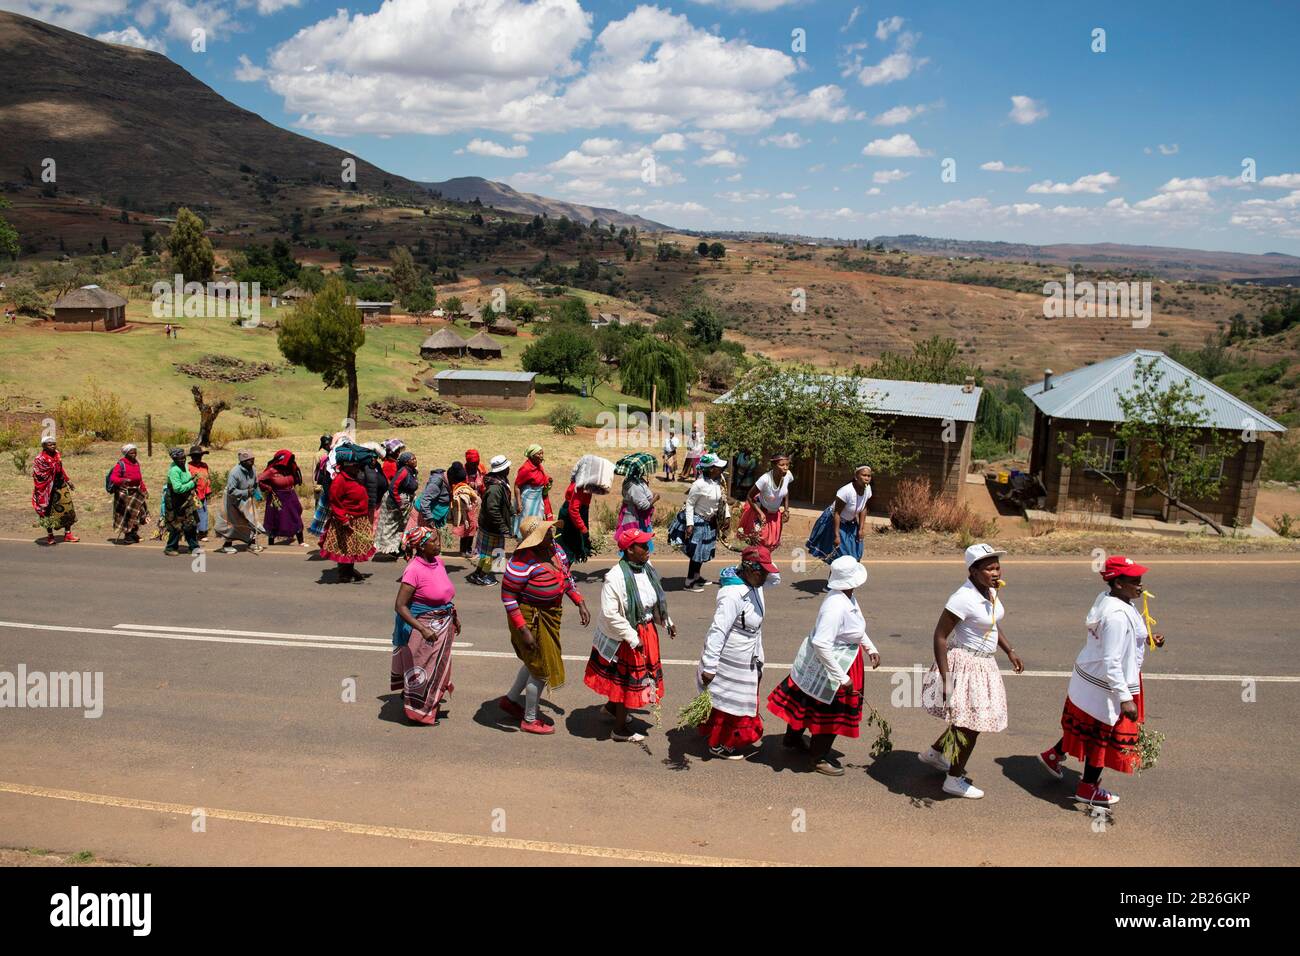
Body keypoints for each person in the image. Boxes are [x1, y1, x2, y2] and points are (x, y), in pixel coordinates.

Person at [1039, 556, 1164, 806]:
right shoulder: (1116, 616)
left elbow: (1121, 641)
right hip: (1107, 684)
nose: (1141, 585)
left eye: (1140, 580)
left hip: (1093, 680)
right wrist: (1125, 698)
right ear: (1117, 582)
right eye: (1134, 581)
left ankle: (1054, 755)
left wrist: (1147, 639)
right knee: (1101, 735)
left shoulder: (1113, 600)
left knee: (1086, 725)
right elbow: (1112, 660)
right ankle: (1087, 789)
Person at [918, 543, 1025, 799]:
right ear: (973, 570)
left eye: (998, 567)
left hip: (984, 664)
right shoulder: (962, 598)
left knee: (966, 721)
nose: (996, 572)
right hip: (965, 665)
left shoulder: (989, 591)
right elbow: (940, 637)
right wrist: (946, 680)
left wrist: (1009, 651)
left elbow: (990, 625)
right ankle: (954, 779)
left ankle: (935, 754)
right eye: (989, 568)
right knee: (970, 725)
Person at [767, 555, 880, 776]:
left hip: (835, 660)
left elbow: (855, 629)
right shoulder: (836, 606)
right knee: (831, 713)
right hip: (834, 664)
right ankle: (817, 758)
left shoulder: (847, 598)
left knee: (807, 702)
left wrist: (870, 648)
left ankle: (792, 739)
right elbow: (821, 642)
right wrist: (842, 677)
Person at [496, 515, 590, 734]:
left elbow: (566, 577)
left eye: (550, 531)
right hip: (530, 618)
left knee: (533, 664)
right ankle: (529, 719)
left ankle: (510, 701)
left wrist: (579, 601)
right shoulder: (521, 561)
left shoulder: (556, 551)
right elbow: (508, 597)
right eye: (546, 533)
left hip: (551, 615)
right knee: (541, 669)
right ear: (534, 539)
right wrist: (523, 630)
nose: (551, 534)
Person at [584, 528, 675, 742]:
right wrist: (634, 638)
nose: (648, 549)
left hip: (646, 631)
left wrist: (667, 622)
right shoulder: (615, 577)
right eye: (643, 546)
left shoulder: (648, 569)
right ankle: (619, 730)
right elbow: (610, 614)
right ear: (629, 550)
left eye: (647, 545)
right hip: (627, 635)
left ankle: (611, 709)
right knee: (628, 681)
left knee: (624, 677)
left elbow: (653, 602)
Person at [697, 545, 779, 760]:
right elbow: (718, 630)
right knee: (730, 704)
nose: (767, 576)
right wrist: (710, 666)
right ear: (750, 569)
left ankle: (721, 737)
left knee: (733, 702)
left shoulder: (756, 583)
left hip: (748, 654)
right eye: (763, 571)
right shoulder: (732, 595)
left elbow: (775, 579)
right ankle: (720, 744)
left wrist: (760, 551)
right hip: (731, 658)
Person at [390, 526, 460, 725]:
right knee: (422, 669)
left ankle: (425, 704)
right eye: (434, 542)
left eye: (438, 540)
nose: (439, 545)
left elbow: (445, 593)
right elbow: (400, 606)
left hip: (441, 624)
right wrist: (422, 629)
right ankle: (418, 713)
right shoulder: (414, 570)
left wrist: (455, 616)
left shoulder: (438, 562)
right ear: (421, 546)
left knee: (435, 669)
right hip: (423, 628)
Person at [669, 452, 731, 591]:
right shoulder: (699, 484)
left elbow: (723, 500)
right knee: (696, 553)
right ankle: (689, 582)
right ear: (710, 469)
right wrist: (690, 525)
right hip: (699, 522)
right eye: (718, 467)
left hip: (710, 522)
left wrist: (726, 516)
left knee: (704, 551)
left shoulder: (718, 481)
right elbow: (690, 504)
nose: (721, 469)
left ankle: (697, 576)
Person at [318, 457, 376, 581]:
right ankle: (344, 574)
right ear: (347, 467)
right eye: (354, 466)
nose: (357, 468)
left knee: (352, 547)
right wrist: (343, 519)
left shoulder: (353, 478)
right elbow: (335, 501)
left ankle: (349, 571)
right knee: (345, 548)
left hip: (358, 518)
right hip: (347, 519)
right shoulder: (339, 480)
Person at [806, 465, 873, 567]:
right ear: (856, 476)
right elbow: (836, 513)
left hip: (851, 523)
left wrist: (861, 528)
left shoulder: (867, 489)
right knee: (842, 558)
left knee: (855, 555)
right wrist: (836, 535)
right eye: (864, 475)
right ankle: (835, 581)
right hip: (835, 521)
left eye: (869, 476)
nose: (867, 478)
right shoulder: (846, 491)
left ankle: (845, 581)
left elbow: (863, 508)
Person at [469, 455, 514, 586]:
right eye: (507, 467)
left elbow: (505, 501)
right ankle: (482, 576)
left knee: (488, 552)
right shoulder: (495, 488)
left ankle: (478, 573)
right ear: (501, 470)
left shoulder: (501, 481)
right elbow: (492, 510)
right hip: (492, 526)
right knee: (489, 554)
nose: (509, 469)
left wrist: (511, 511)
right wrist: (503, 527)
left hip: (492, 526)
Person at [740, 454, 793, 549]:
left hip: (775, 516)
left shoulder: (788, 475)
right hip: (761, 515)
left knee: (771, 545)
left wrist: (786, 509)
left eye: (787, 465)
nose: (785, 468)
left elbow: (785, 491)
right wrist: (759, 513)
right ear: (773, 465)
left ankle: (763, 563)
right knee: (759, 544)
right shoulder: (765, 480)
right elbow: (749, 496)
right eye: (781, 465)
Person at [31, 436, 77, 544]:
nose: (53, 446)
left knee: (67, 509)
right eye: (50, 444)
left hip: (60, 485)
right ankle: (50, 536)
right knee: (48, 512)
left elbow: (60, 469)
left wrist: (68, 481)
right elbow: (38, 475)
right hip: (47, 490)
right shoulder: (39, 459)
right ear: (44, 446)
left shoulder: (57, 454)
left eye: (54, 444)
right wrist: (49, 480)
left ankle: (68, 534)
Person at [374, 451, 420, 558]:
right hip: (396, 502)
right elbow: (393, 487)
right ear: (406, 462)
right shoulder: (403, 472)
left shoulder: (411, 471)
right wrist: (399, 502)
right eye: (412, 459)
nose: (415, 460)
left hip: (405, 501)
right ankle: (390, 549)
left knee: (403, 524)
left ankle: (398, 547)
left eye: (415, 458)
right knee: (392, 525)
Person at [219, 451, 264, 554]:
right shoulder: (234, 472)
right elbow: (231, 490)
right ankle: (226, 545)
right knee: (232, 523)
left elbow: (255, 485)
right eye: (249, 460)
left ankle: (251, 543)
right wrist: (246, 492)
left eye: (253, 459)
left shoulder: (253, 469)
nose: (252, 461)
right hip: (232, 501)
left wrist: (258, 496)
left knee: (252, 520)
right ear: (242, 461)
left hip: (247, 499)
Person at [258, 450, 305, 547]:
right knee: (275, 518)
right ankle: (271, 543)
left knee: (295, 516)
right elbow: (259, 480)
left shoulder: (290, 468)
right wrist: (268, 488)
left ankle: (301, 541)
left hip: (290, 496)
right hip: (277, 497)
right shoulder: (271, 470)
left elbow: (296, 478)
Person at [614, 452, 658, 550]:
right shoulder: (634, 486)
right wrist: (655, 498)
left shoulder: (635, 480)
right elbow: (644, 505)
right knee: (635, 547)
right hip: (634, 519)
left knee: (639, 547)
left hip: (637, 517)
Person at [162, 446, 201, 555]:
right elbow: (178, 488)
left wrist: (192, 479)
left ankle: (193, 547)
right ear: (174, 459)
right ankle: (170, 548)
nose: (183, 460)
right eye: (180, 458)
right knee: (176, 524)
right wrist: (192, 483)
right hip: (175, 500)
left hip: (186, 499)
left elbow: (186, 479)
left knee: (190, 523)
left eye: (184, 457)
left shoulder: (184, 466)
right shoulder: (174, 470)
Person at [108, 443, 149, 544]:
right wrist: (123, 480)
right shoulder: (121, 464)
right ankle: (127, 535)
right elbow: (114, 478)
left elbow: (140, 478)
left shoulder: (136, 463)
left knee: (137, 514)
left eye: (135, 452)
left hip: (136, 493)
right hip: (125, 493)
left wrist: (144, 489)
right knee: (127, 515)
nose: (134, 454)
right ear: (126, 453)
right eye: (131, 452)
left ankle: (134, 533)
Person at [513, 443, 553, 536]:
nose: (541, 456)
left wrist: (547, 480)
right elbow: (517, 486)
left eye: (542, 453)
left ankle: (534, 541)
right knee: (526, 522)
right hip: (528, 500)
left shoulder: (538, 465)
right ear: (532, 456)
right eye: (539, 454)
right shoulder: (526, 469)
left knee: (537, 521)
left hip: (537, 499)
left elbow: (541, 477)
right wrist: (519, 504)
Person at [448, 461, 481, 558]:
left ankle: (466, 549)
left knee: (469, 528)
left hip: (466, 510)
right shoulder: (461, 487)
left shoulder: (454, 482)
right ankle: (464, 550)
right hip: (466, 510)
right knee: (467, 529)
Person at [308, 434, 334, 537]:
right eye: (329, 443)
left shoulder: (331, 453)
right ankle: (318, 528)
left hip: (329, 484)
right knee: (319, 506)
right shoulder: (318, 454)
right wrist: (315, 485)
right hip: (320, 484)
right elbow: (314, 471)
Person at [187, 445, 212, 541]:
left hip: (203, 493)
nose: (197, 458)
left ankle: (202, 532)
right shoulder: (188, 466)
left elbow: (207, 479)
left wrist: (208, 491)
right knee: (195, 512)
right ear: (192, 457)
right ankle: (195, 532)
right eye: (195, 456)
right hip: (193, 493)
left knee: (203, 512)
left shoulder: (204, 465)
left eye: (199, 456)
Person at [360, 442, 390, 520]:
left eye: (375, 457)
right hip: (371, 507)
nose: (374, 459)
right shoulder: (364, 468)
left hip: (379, 503)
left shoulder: (377, 465)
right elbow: (370, 488)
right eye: (371, 457)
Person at [414, 463, 450, 529]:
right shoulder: (436, 481)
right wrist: (429, 519)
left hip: (436, 518)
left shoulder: (451, 481)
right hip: (423, 516)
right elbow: (425, 500)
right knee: (417, 537)